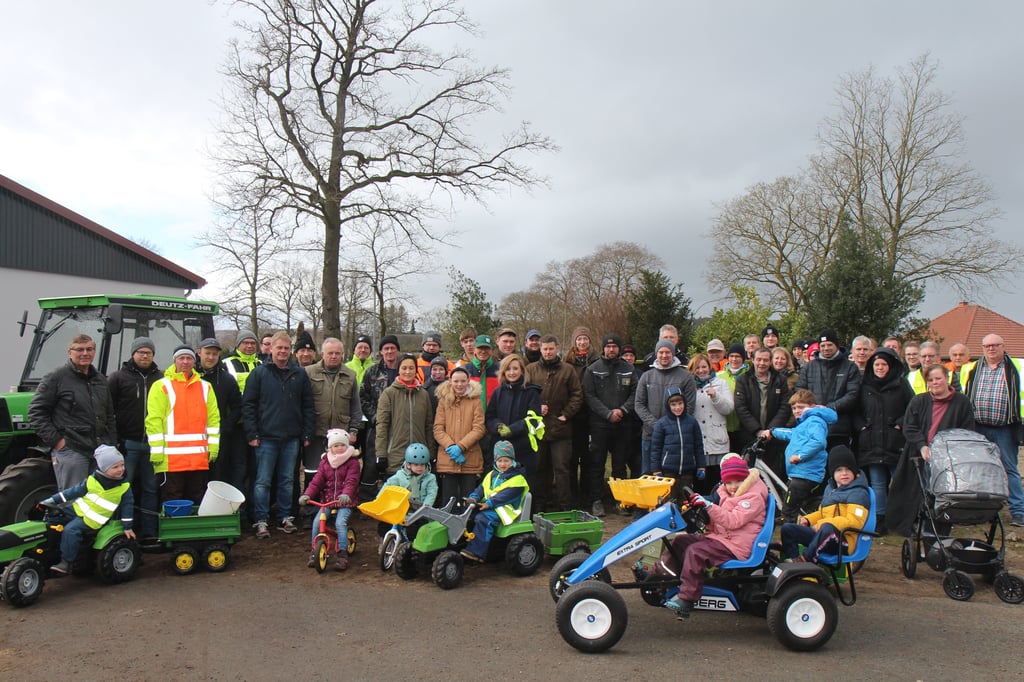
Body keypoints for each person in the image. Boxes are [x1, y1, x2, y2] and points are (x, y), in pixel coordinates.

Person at [662, 456, 768, 618]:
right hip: (722, 538)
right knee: (680, 540)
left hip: (737, 545)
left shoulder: (752, 498)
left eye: (737, 481)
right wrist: (705, 514)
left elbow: (733, 521)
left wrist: (709, 507)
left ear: (745, 479)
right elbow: (720, 522)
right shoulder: (730, 494)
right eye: (729, 483)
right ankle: (662, 575)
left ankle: (687, 599)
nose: (733, 487)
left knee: (695, 552)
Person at [886, 364, 976, 536]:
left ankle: (936, 529)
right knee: (917, 491)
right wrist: (921, 445)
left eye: (938, 378)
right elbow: (910, 427)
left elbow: (967, 429)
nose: (935, 383)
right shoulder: (919, 400)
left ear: (947, 378)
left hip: (948, 458)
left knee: (941, 495)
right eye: (931, 380)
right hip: (919, 454)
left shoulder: (961, 402)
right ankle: (912, 524)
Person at [242, 331, 314, 538]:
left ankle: (286, 517)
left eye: (286, 348)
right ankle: (261, 519)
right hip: (265, 437)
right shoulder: (259, 373)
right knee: (262, 481)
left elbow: (308, 405)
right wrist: (252, 433)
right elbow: (248, 405)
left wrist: (307, 433)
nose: (283, 352)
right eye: (279, 348)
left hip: (291, 437)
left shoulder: (299, 374)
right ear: (271, 349)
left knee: (287, 480)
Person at [28, 333, 117, 490]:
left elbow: (109, 414)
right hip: (72, 449)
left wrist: (111, 443)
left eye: (89, 349)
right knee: (73, 500)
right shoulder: (56, 377)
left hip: (99, 450)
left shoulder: (100, 380)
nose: (85, 353)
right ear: (70, 352)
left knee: (97, 499)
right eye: (79, 349)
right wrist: (58, 442)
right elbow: (36, 412)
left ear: (94, 352)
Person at [960, 334, 1024, 526]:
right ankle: (982, 509)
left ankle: (1018, 511)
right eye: (987, 345)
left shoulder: (1017, 368)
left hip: (1006, 427)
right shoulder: (972, 368)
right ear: (982, 348)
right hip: (978, 427)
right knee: (979, 468)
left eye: (995, 345)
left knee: (1009, 469)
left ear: (1003, 346)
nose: (991, 349)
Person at [40, 445, 135, 576]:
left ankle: (67, 562)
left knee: (71, 530)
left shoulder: (124, 487)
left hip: (93, 519)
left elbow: (128, 506)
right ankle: (49, 552)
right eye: (115, 467)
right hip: (77, 509)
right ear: (103, 468)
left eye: (122, 465)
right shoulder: (92, 480)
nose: (121, 470)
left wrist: (127, 527)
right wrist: (52, 500)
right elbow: (72, 492)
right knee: (52, 518)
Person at [146, 344, 221, 505]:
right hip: (171, 459)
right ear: (175, 361)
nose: (185, 362)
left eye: (189, 358)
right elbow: (154, 420)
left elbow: (213, 420)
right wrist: (157, 451)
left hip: (198, 458)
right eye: (181, 358)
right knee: (172, 497)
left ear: (194, 362)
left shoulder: (205, 386)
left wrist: (213, 447)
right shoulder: (161, 386)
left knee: (198, 497)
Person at [107, 337, 162, 542]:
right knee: (122, 487)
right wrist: (115, 439)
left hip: (153, 444)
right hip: (128, 443)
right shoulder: (118, 378)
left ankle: (149, 531)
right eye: (140, 352)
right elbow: (108, 410)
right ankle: (120, 530)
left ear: (153, 355)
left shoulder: (161, 378)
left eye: (148, 352)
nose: (144, 355)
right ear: (133, 354)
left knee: (151, 487)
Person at [853, 346, 913, 534]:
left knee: (898, 482)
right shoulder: (864, 385)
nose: (880, 368)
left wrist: (900, 424)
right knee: (877, 484)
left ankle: (902, 519)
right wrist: (861, 427)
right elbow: (855, 411)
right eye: (877, 364)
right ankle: (880, 519)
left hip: (895, 441)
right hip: (871, 442)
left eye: (883, 364)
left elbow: (912, 408)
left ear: (890, 366)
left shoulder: (901, 384)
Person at [304, 337, 363, 526]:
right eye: (330, 353)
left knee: (340, 474)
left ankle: (337, 511)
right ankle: (311, 512)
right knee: (314, 473)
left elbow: (356, 406)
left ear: (342, 354)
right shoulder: (308, 373)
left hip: (340, 436)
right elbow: (303, 404)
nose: (334, 356)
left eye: (338, 353)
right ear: (322, 354)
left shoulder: (350, 375)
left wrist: (353, 430)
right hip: (316, 433)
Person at [780, 445, 871, 562]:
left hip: (845, 541)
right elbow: (822, 513)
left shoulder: (858, 493)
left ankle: (804, 561)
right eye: (839, 470)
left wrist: (822, 524)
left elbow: (855, 522)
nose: (844, 473)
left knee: (827, 528)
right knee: (788, 528)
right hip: (824, 535)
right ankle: (792, 561)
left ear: (854, 471)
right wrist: (808, 520)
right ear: (832, 473)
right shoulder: (830, 489)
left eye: (848, 469)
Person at [524, 334, 584, 512]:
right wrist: (535, 408)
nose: (548, 352)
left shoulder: (568, 370)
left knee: (562, 470)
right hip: (537, 430)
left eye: (551, 348)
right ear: (540, 349)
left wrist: (566, 414)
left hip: (561, 430)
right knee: (539, 469)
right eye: (545, 349)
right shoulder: (531, 369)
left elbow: (577, 394)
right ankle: (539, 507)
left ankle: (564, 508)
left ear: (557, 348)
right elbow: (524, 394)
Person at [761, 389, 837, 523]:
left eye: (801, 407)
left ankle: (789, 537)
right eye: (794, 407)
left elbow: (818, 442)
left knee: (789, 509)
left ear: (812, 406)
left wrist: (800, 456)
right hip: (799, 473)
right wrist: (772, 432)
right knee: (790, 500)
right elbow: (791, 433)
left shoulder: (814, 421)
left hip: (806, 473)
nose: (796, 410)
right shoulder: (805, 423)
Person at [582, 334, 637, 517]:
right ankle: (597, 500)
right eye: (608, 346)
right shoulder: (593, 369)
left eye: (614, 346)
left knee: (619, 465)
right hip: (599, 425)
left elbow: (635, 394)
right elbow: (589, 396)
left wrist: (622, 411)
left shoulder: (629, 369)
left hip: (623, 424)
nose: (611, 349)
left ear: (619, 349)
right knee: (596, 464)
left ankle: (620, 500)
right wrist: (607, 413)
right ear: (603, 348)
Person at [635, 339, 697, 487]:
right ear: (656, 354)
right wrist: (656, 425)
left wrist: (670, 427)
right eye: (661, 352)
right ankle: (645, 509)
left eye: (667, 352)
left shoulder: (686, 377)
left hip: (676, 437)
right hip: (650, 435)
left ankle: (674, 507)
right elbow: (639, 404)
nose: (664, 355)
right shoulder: (646, 376)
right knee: (648, 474)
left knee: (672, 478)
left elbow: (689, 406)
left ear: (673, 353)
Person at [299, 429, 360, 571]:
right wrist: (307, 495)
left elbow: (352, 481)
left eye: (342, 445)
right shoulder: (325, 462)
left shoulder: (352, 462)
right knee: (317, 523)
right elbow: (317, 481)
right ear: (330, 448)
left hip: (346, 501)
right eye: (336, 446)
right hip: (327, 500)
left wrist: (346, 495)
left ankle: (342, 554)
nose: (339, 448)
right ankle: (314, 552)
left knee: (340, 522)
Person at [485, 354, 543, 503]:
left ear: (522, 371)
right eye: (508, 369)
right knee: (501, 490)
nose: (512, 372)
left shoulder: (531, 392)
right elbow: (490, 416)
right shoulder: (499, 392)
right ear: (503, 372)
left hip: (523, 448)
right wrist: (498, 426)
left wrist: (513, 429)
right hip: (500, 449)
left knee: (524, 489)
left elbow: (534, 417)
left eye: (515, 369)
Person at [460, 440, 528, 563]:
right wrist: (473, 498)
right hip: (490, 505)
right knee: (467, 514)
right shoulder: (491, 474)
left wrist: (488, 504)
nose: (503, 464)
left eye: (506, 461)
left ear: (512, 461)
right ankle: (462, 544)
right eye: (500, 461)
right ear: (495, 461)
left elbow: (505, 496)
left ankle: (476, 552)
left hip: (505, 510)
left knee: (483, 519)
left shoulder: (518, 479)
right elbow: (481, 488)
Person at [794, 329, 861, 450]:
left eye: (829, 344)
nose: (826, 348)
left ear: (836, 345)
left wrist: (829, 408)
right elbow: (800, 391)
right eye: (823, 345)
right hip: (813, 427)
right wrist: (811, 407)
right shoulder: (809, 367)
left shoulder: (850, 367)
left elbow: (852, 394)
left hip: (839, 427)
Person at [734, 347, 792, 480]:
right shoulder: (743, 380)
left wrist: (770, 431)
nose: (762, 363)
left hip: (774, 437)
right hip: (750, 437)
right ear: (752, 360)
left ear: (770, 362)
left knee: (774, 475)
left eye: (765, 360)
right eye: (759, 359)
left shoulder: (780, 380)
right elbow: (740, 407)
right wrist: (757, 430)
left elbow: (785, 406)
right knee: (750, 477)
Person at [195, 338, 244, 493]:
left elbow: (237, 406)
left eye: (214, 354)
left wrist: (226, 426)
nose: (210, 357)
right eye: (207, 353)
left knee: (218, 476)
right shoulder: (191, 377)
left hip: (219, 437)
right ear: (199, 353)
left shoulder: (226, 379)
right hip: (192, 436)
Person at [374, 354, 435, 476]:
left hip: (419, 458)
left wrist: (431, 453)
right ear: (399, 370)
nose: (408, 372)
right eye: (404, 368)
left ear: (416, 370)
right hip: (396, 455)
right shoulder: (389, 394)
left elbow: (428, 426)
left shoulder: (423, 394)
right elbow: (382, 425)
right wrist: (381, 454)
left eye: (411, 368)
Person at [433, 366, 487, 504]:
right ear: (450, 381)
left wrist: (461, 446)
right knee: (449, 501)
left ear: (468, 381)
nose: (459, 385)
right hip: (448, 459)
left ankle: (467, 525)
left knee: (468, 501)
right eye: (456, 381)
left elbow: (479, 428)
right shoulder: (444, 402)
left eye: (463, 381)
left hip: (470, 458)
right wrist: (450, 446)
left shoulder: (475, 401)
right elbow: (438, 428)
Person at [359, 334, 402, 497]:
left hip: (399, 426)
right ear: (381, 352)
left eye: (392, 348)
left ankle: (392, 498)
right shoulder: (372, 371)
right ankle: (366, 500)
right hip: (377, 427)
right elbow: (363, 397)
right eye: (386, 348)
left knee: (395, 464)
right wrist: (375, 417)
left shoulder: (404, 370)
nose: (389, 351)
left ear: (397, 350)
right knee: (372, 462)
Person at [648, 388, 705, 502]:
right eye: (673, 404)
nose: (677, 407)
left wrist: (701, 466)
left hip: (687, 469)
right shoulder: (661, 424)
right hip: (668, 471)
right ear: (668, 406)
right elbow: (655, 449)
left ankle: (687, 519)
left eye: (680, 403)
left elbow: (698, 446)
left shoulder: (692, 422)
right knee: (670, 500)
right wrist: (656, 470)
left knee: (686, 499)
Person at [687, 353, 733, 494]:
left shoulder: (721, 383)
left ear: (709, 367)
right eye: (697, 368)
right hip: (698, 440)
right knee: (699, 483)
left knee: (716, 483)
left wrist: (716, 396)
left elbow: (729, 408)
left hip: (717, 440)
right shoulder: (688, 386)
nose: (701, 370)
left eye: (704, 367)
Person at [564, 326, 598, 507]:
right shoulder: (568, 362)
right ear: (574, 342)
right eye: (579, 339)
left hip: (591, 416)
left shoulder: (596, 360)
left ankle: (587, 498)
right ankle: (572, 497)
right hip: (573, 417)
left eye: (585, 338)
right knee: (571, 459)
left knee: (588, 460)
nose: (582, 342)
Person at [380, 442, 438, 511]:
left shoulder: (430, 478)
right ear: (408, 465)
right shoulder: (400, 475)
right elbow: (388, 485)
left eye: (422, 465)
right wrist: (379, 499)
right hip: (402, 509)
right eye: (416, 465)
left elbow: (431, 493)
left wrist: (426, 507)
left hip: (421, 510)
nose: (419, 467)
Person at [717, 342, 748, 453]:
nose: (734, 359)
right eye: (732, 356)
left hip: (744, 426)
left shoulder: (749, 375)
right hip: (725, 425)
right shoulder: (719, 376)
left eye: (738, 356)